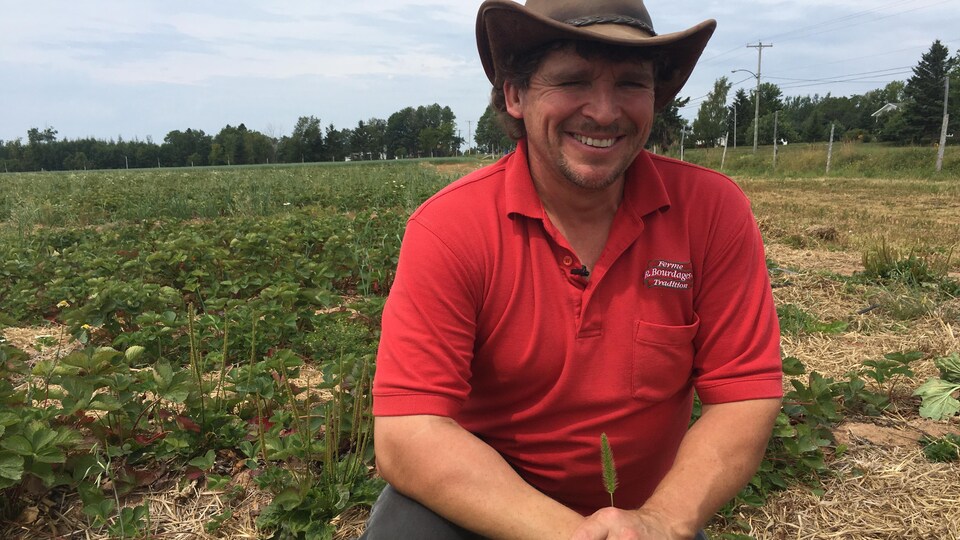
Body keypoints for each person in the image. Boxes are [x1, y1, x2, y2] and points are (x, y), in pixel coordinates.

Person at [361, 0, 783, 538]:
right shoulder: (450, 229)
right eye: (573, 80)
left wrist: (660, 520)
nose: (605, 112)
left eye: (632, 84)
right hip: (484, 510)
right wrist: (568, 534)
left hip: (643, 521)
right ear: (515, 95)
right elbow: (408, 431)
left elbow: (743, 396)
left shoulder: (710, 210)